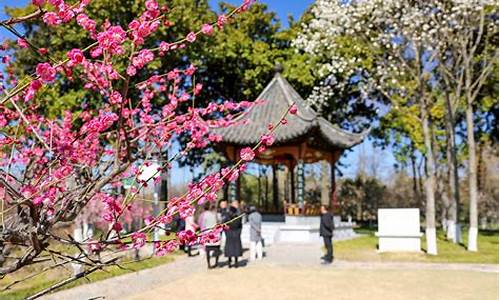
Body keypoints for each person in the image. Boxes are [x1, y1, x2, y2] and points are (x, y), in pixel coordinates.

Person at [198, 203, 220, 269]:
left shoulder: (204, 214)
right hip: (216, 233)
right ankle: (216, 262)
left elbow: (202, 224)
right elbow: (219, 222)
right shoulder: (216, 214)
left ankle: (209, 264)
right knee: (217, 249)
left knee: (208, 249)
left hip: (207, 233)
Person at [224, 203, 243, 268]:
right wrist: (238, 233)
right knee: (236, 249)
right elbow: (240, 226)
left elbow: (224, 226)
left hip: (229, 235)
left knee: (230, 249)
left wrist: (227, 233)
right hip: (235, 235)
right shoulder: (238, 218)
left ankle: (230, 263)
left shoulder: (227, 218)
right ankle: (236, 263)